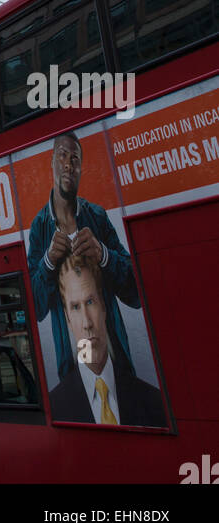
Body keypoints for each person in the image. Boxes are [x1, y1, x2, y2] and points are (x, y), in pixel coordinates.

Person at [27, 130, 141, 382]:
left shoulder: (97, 217)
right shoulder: (39, 228)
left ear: (81, 169)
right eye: (62, 156)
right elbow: (33, 309)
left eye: (75, 159)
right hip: (73, 375)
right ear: (52, 163)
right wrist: (47, 264)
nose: (68, 164)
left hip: (118, 366)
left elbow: (136, 293)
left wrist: (104, 255)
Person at [49, 255, 165, 427]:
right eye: (75, 307)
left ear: (103, 307)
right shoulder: (54, 409)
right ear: (67, 319)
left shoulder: (153, 401)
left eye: (90, 302)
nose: (87, 323)